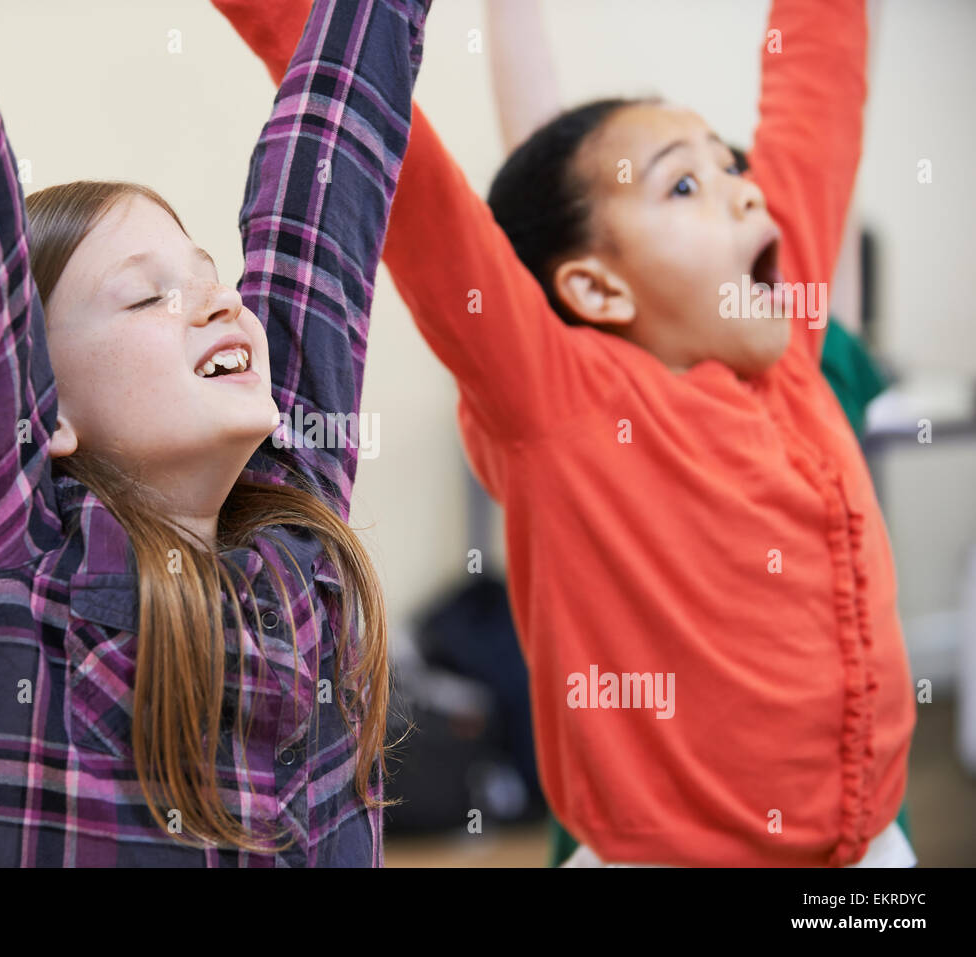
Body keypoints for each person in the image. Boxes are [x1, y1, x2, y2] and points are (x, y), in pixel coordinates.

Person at [216, 0, 916, 866]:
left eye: (731, 166)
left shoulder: (788, 338)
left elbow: (816, 90)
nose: (746, 187)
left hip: (873, 852)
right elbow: (426, 200)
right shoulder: (564, 405)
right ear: (596, 289)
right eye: (684, 184)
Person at [0, 0, 431, 865]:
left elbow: (331, 177)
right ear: (42, 408)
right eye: (148, 297)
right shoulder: (10, 573)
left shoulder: (298, 526)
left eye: (212, 278)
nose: (223, 303)